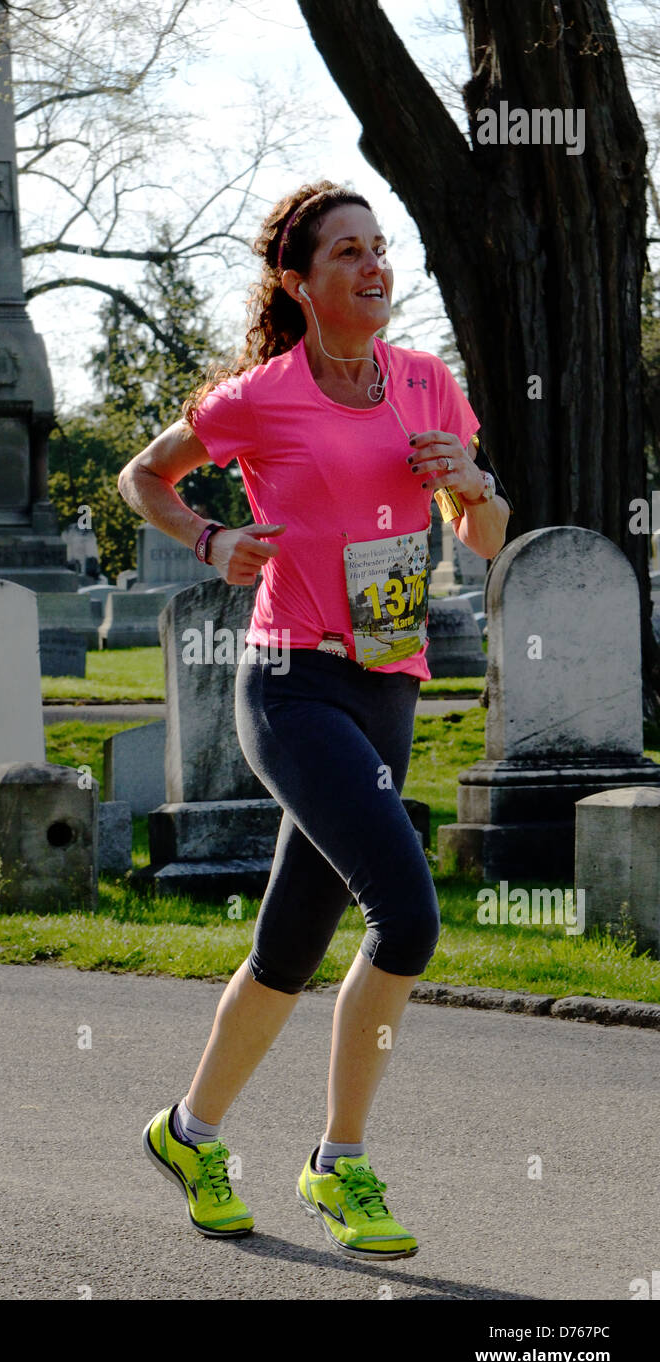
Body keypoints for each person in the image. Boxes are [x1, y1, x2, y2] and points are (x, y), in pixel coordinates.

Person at [118, 180, 511, 1260]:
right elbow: (141, 474)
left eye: (379, 247)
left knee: (290, 941)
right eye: (345, 251)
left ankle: (186, 1133)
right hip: (290, 686)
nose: (371, 265)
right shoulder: (259, 397)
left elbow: (482, 535)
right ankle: (339, 1163)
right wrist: (208, 541)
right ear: (298, 281)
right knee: (407, 915)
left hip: (388, 683)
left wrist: (472, 482)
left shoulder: (427, 384)